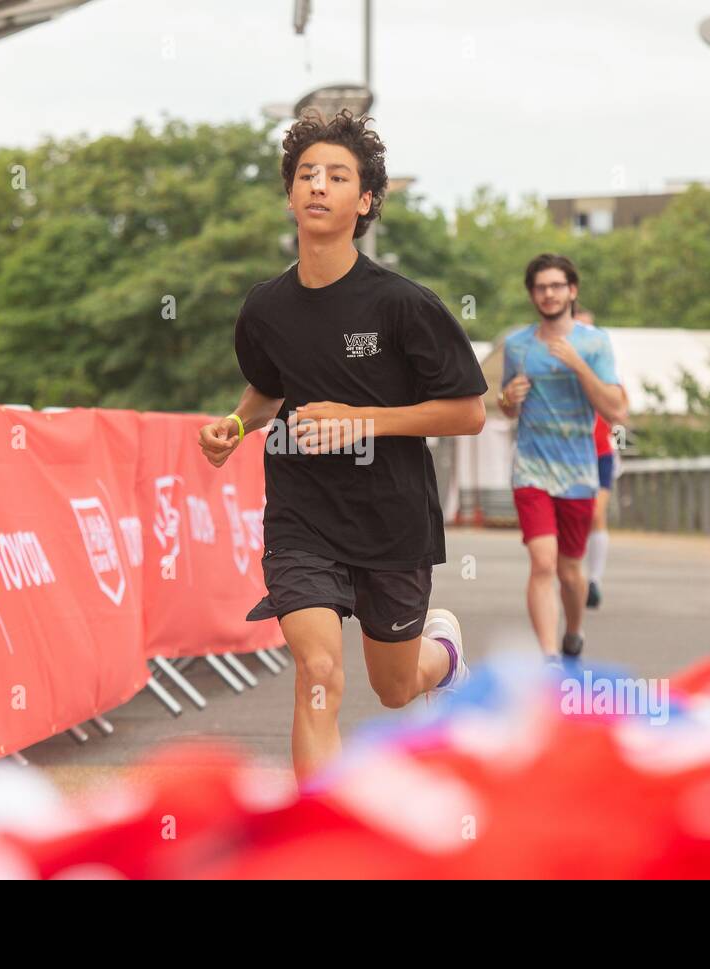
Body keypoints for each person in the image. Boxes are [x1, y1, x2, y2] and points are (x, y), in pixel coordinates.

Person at [198, 110, 488, 786]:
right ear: (290, 194)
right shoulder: (265, 308)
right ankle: (316, 837)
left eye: (336, 176)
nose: (318, 186)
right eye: (306, 174)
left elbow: (469, 412)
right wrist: (236, 427)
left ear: (364, 201)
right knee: (319, 669)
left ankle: (443, 653)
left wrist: (365, 421)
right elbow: (267, 391)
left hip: (393, 518)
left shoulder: (404, 305)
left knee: (394, 686)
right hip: (303, 516)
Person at [497, 255, 626, 659]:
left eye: (556, 286)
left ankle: (573, 633)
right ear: (532, 294)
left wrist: (578, 366)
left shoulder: (594, 343)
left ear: (572, 290)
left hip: (578, 472)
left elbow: (616, 409)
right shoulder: (517, 346)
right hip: (531, 468)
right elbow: (507, 406)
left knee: (571, 573)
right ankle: (549, 657)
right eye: (540, 287)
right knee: (542, 562)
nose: (548, 294)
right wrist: (507, 399)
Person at [572, 306, 620, 609]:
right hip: (568, 455)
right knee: (574, 517)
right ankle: (572, 575)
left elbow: (619, 408)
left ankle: (594, 580)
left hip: (599, 452)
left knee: (595, 514)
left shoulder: (605, 371)